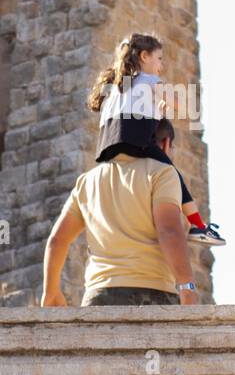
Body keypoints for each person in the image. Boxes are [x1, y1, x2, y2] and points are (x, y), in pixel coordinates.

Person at [41, 118, 200, 307]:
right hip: (153, 294)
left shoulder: (87, 181)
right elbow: (169, 230)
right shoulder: (162, 173)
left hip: (98, 298)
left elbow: (57, 240)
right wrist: (187, 288)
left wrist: (51, 292)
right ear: (166, 144)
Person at [86, 32, 225, 246]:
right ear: (144, 57)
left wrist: (159, 110)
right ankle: (198, 225)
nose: (161, 65)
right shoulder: (149, 80)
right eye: (159, 59)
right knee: (172, 175)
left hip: (108, 146)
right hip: (134, 140)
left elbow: (134, 112)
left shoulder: (116, 87)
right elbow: (181, 105)